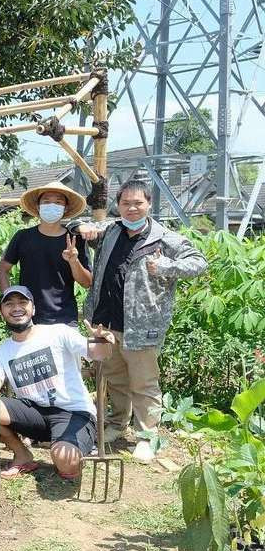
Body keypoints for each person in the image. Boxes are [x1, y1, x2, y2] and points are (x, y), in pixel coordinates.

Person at [75, 180, 208, 462]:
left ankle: (148, 435)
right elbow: (78, 225)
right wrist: (81, 227)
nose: (132, 209)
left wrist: (166, 267)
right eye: (126, 203)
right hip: (105, 321)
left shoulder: (163, 237)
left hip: (142, 326)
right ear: (118, 205)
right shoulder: (111, 230)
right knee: (115, 378)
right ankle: (116, 424)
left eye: (138, 203)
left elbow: (198, 262)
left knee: (144, 382)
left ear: (148, 204)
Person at [0, 286, 116, 480]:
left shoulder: (59, 333)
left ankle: (71, 449)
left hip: (73, 412)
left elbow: (98, 354)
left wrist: (101, 342)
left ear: (33, 308)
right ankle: (22, 454)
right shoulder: (1, 353)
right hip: (34, 413)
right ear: (2, 313)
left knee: (65, 463)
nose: (16, 308)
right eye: (9, 304)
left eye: (22, 302)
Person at [0, 182, 91, 325]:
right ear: (38, 206)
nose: (52, 205)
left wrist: (74, 262)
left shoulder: (75, 240)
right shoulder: (23, 237)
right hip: (28, 320)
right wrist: (10, 300)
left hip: (65, 320)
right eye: (46, 201)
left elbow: (86, 282)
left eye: (58, 202)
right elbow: (2, 270)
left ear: (65, 208)